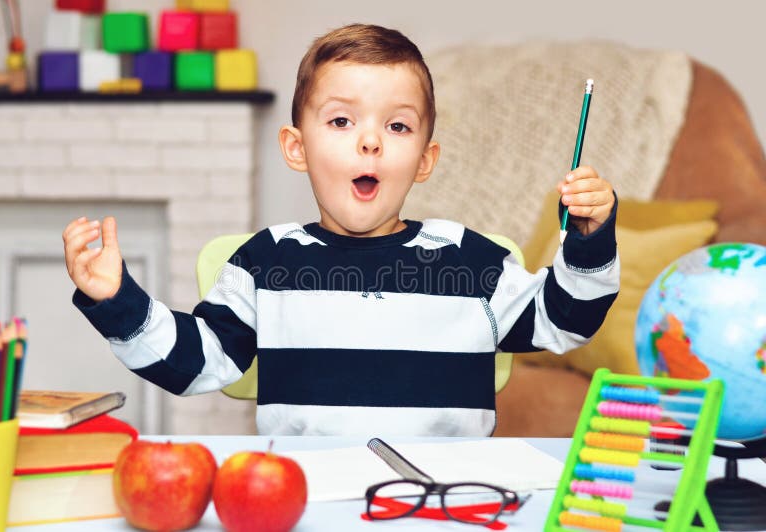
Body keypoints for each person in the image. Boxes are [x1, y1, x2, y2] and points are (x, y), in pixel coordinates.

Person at [63, 24, 619, 436]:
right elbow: (195, 362)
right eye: (341, 121)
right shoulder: (266, 262)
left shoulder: (470, 262)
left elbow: (564, 320)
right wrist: (117, 300)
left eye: (397, 125)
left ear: (424, 160)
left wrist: (590, 240)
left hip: (446, 502)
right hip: (306, 502)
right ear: (297, 148)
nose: (370, 141)